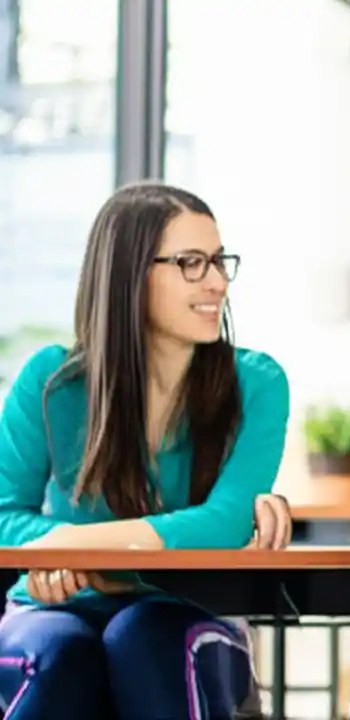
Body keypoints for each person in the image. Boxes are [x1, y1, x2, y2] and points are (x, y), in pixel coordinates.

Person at [0, 183, 293, 719]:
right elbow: (2, 515)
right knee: (58, 654)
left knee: (144, 641)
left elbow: (225, 523)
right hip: (51, 603)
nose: (218, 282)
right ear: (129, 274)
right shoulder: (49, 382)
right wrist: (55, 555)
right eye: (191, 263)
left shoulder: (257, 382)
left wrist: (74, 546)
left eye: (220, 261)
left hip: (185, 611)